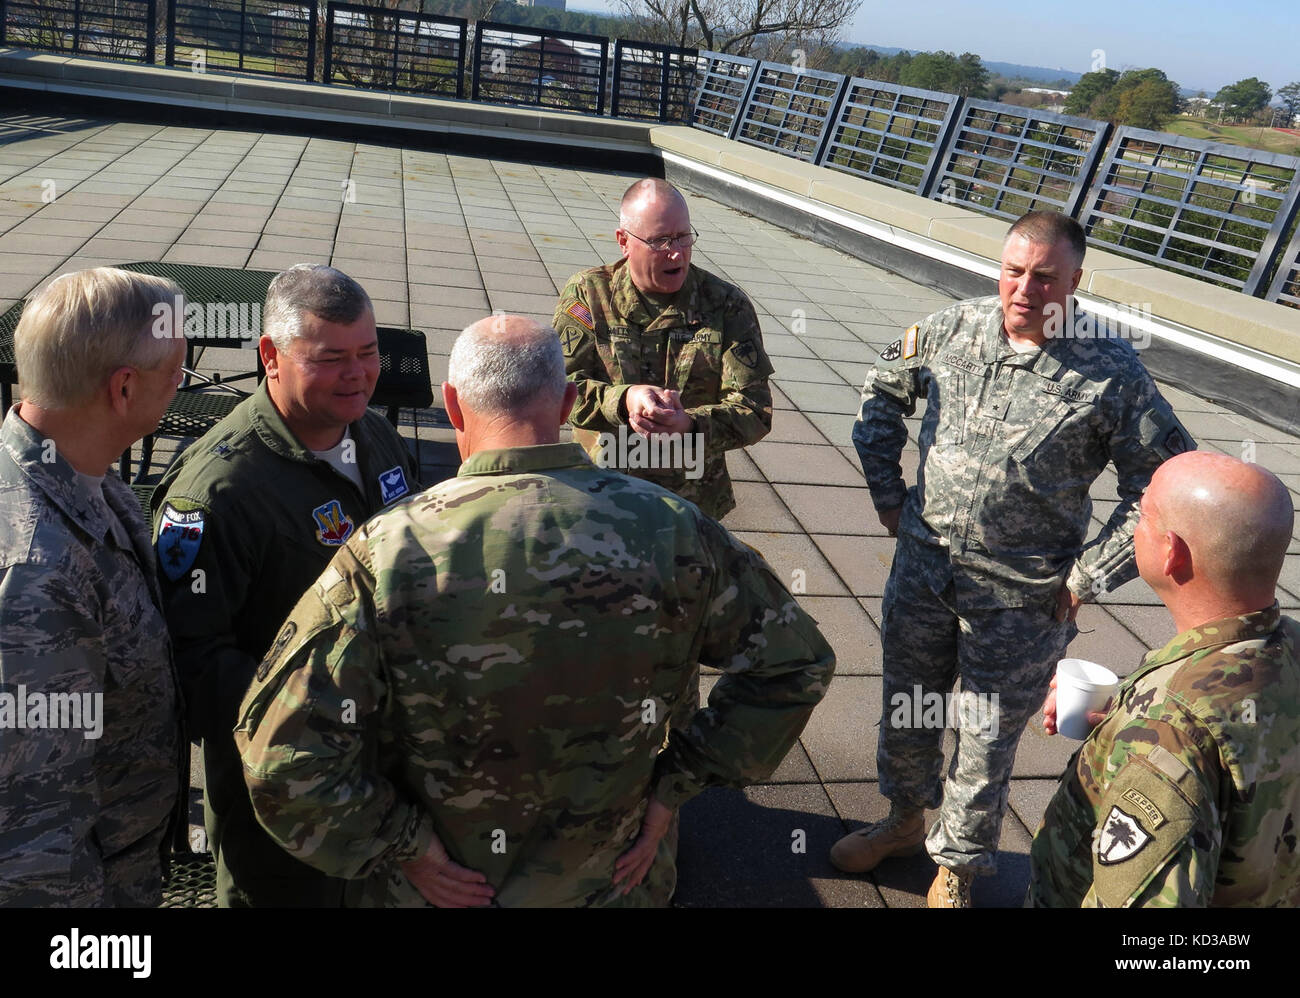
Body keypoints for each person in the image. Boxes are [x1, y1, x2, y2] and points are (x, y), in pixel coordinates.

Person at [233, 315, 834, 907]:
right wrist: (674, 790)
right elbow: (795, 665)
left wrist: (404, 846)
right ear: (571, 401)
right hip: (616, 880)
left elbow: (282, 757)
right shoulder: (675, 530)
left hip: (443, 890)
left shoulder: (386, 552)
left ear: (452, 404)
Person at [832, 210, 1194, 907]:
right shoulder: (952, 329)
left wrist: (1091, 575)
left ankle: (959, 867)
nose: (1024, 290)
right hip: (924, 570)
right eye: (1013, 271)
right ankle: (905, 820)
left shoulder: (1110, 369)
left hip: (1022, 597)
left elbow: (1162, 477)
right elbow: (880, 392)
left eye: (1045, 277)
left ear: (1075, 281)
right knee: (907, 707)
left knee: (985, 735)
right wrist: (887, 494)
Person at [151, 264, 419, 908]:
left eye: (368, 352)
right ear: (270, 355)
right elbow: (190, 666)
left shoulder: (374, 434)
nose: (357, 374)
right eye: (331, 359)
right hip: (282, 795)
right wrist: (321, 714)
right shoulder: (219, 491)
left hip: (378, 775)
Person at [1029, 451, 1299, 907]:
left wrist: (1151, 735)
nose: (1135, 524)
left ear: (1171, 551)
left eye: (1142, 514)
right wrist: (1122, 720)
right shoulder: (1288, 643)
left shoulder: (1171, 726)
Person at [0, 268, 187, 906]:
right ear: (124, 388)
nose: (184, 383)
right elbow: (33, 833)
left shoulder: (84, 475)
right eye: (175, 370)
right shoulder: (39, 570)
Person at [553, 177, 773, 522]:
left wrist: (690, 425)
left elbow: (755, 411)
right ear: (624, 242)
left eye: (684, 237)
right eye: (660, 240)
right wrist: (623, 401)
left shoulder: (726, 305)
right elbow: (559, 390)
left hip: (689, 507)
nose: (676, 252)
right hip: (601, 496)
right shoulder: (589, 294)